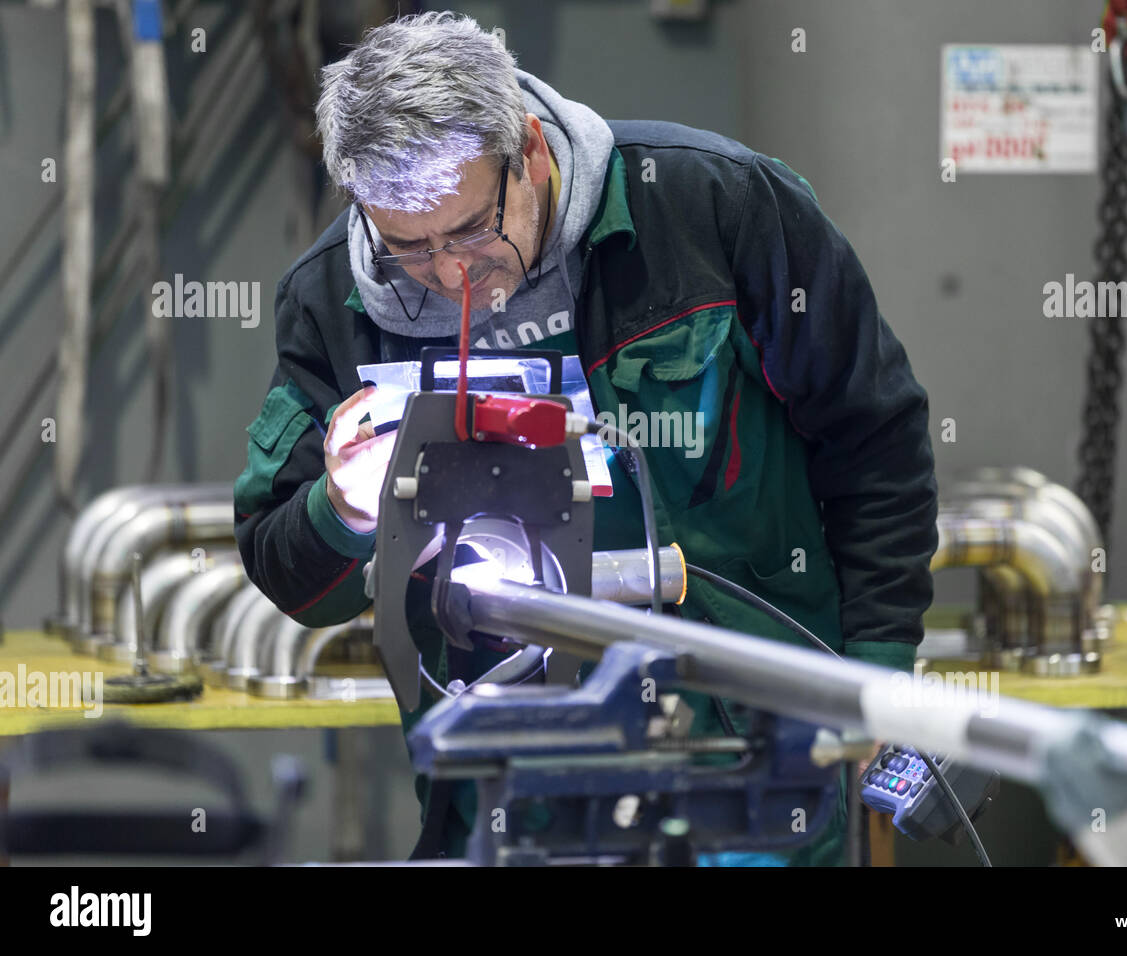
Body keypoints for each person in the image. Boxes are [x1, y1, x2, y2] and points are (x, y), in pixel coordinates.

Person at [234, 11, 937, 866]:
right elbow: (291, 576)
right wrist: (343, 507)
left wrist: (874, 670)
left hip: (752, 764)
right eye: (409, 250)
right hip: (508, 784)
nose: (453, 275)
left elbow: (874, 437)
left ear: (528, 147)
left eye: (469, 232)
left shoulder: (713, 209)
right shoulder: (331, 305)